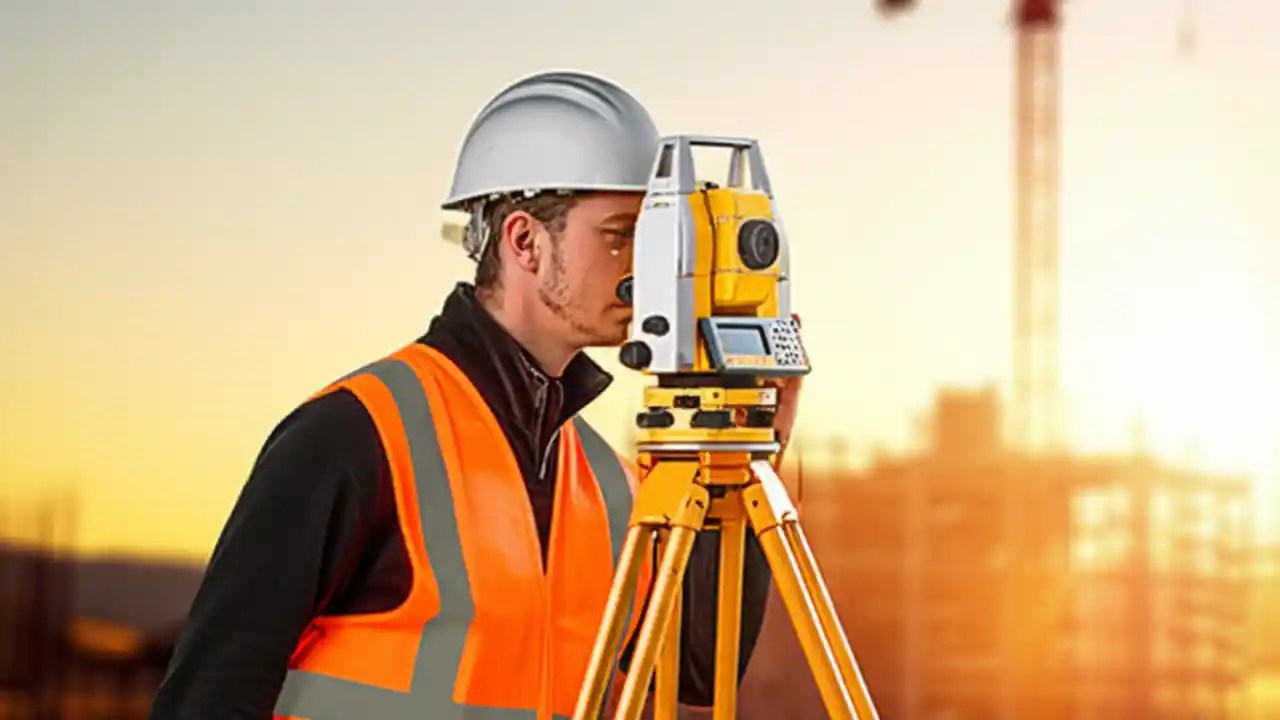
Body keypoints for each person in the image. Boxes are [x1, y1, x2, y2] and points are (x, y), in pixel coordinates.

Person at [149, 70, 801, 719]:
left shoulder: (606, 480)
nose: (645, 265)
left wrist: (745, 457)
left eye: (652, 237)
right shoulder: (356, 434)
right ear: (525, 241)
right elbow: (211, 696)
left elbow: (694, 668)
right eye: (619, 235)